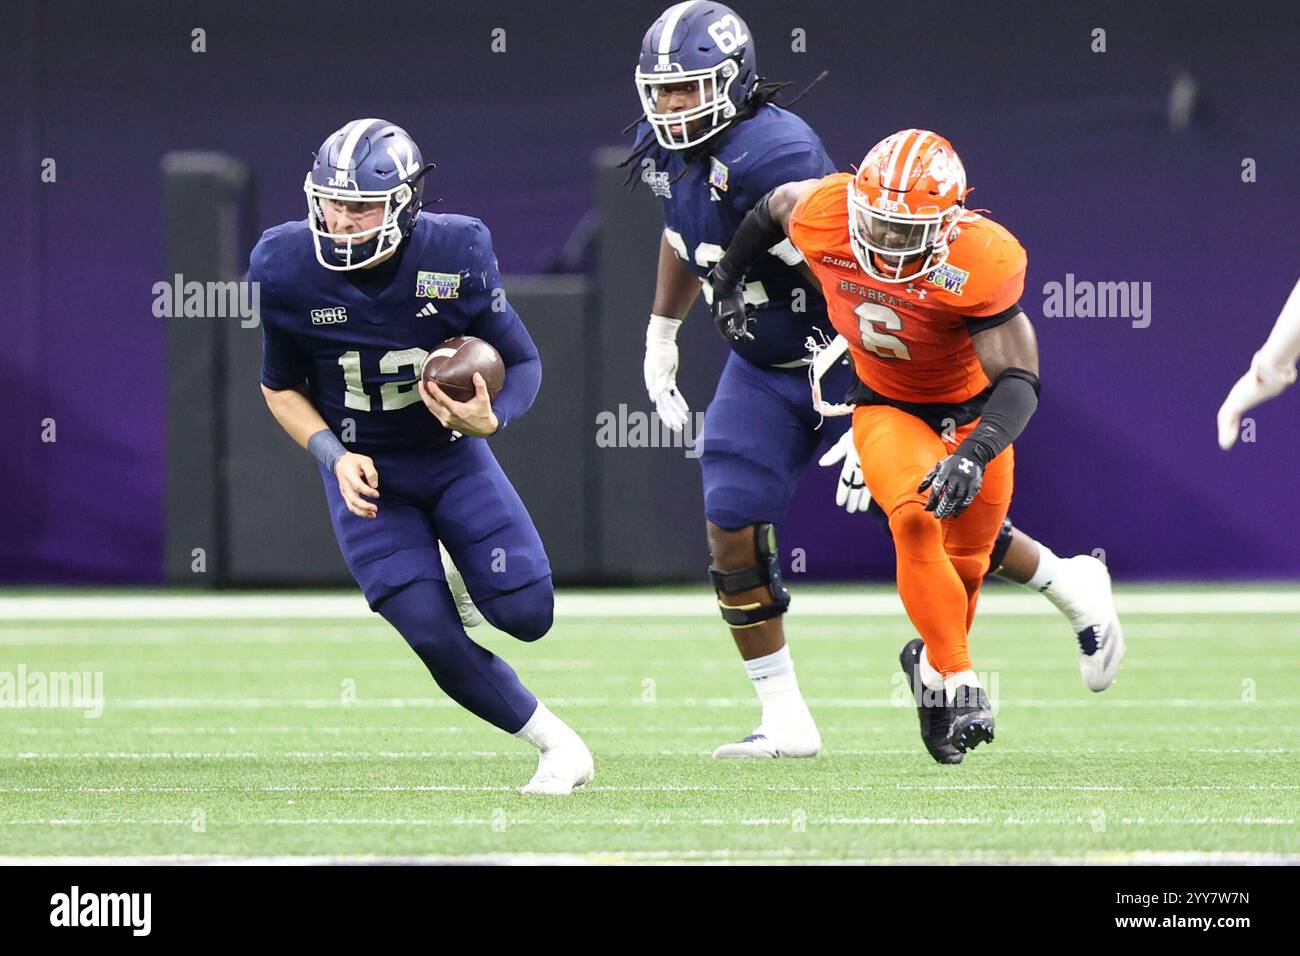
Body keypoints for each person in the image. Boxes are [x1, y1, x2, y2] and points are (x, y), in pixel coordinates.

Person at [631, 5, 1124, 762]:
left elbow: (873, 279)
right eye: (660, 91)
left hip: (857, 359)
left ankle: (1067, 585)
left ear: (730, 83)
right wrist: (665, 329)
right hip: (767, 365)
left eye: (687, 90)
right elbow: (686, 237)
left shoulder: (782, 153)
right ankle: (786, 719)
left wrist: (869, 397)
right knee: (731, 520)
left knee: (935, 521)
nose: (669, 108)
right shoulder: (674, 153)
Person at [708, 129, 1118, 759]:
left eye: (907, 228)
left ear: (950, 222)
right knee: (915, 520)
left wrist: (974, 452)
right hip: (887, 403)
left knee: (968, 569)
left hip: (974, 415)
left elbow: (1020, 380)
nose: (890, 240)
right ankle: (962, 684)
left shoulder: (982, 259)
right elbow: (772, 208)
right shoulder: (827, 212)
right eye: (879, 222)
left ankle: (931, 668)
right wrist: (729, 279)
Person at [255, 118, 593, 794]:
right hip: (368, 476)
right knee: (432, 636)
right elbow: (279, 387)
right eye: (331, 201)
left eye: (361, 206)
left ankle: (457, 563)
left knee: (529, 615)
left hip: (449, 458)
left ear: (405, 205)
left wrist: (492, 417)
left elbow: (521, 359)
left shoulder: (457, 249)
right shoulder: (283, 264)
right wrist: (332, 455)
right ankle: (558, 747)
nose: (342, 220)